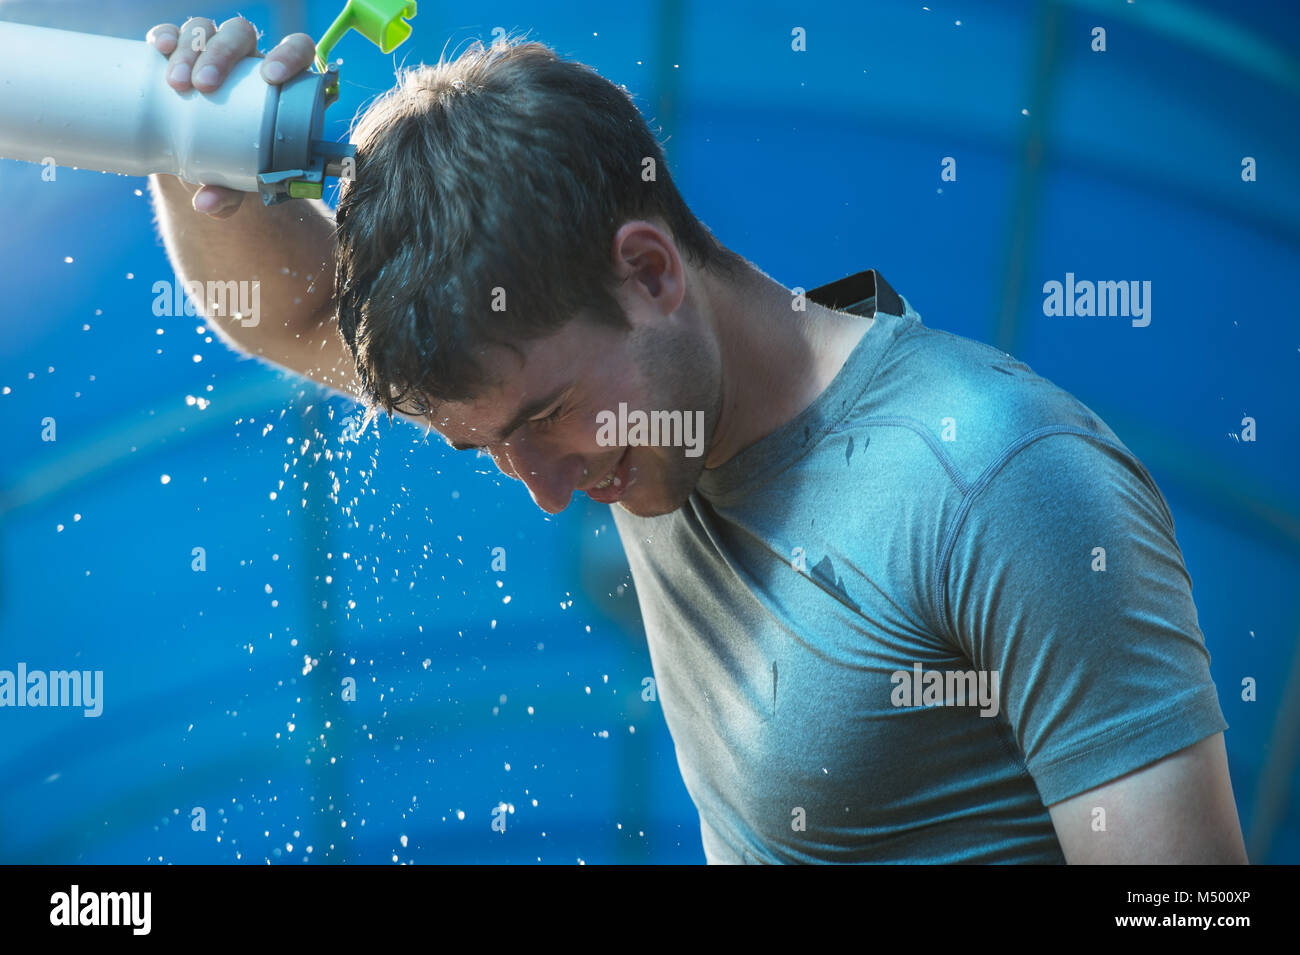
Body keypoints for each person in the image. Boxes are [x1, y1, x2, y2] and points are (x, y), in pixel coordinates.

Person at [146, 16, 1249, 864]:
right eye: (488, 451)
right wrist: (186, 148)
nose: (544, 488)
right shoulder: (626, 422)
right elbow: (287, 312)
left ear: (651, 271)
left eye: (540, 422)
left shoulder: (998, 482)